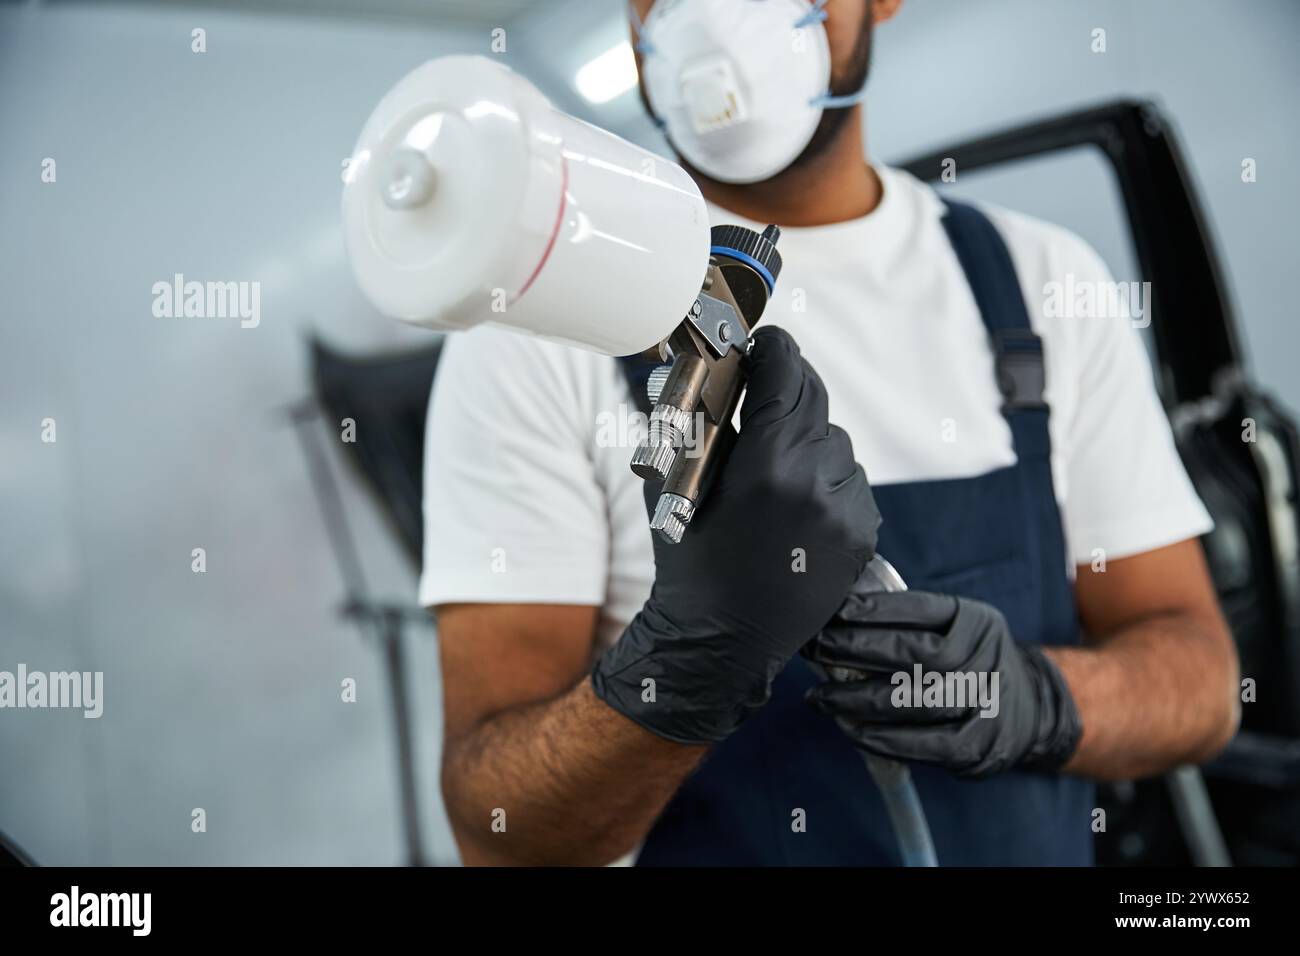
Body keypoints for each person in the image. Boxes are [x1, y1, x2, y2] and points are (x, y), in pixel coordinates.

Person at [421, 0, 1239, 865]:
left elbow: (1205, 684)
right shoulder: (539, 335)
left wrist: (1038, 698)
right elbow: (496, 831)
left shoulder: (1043, 285)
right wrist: (682, 672)